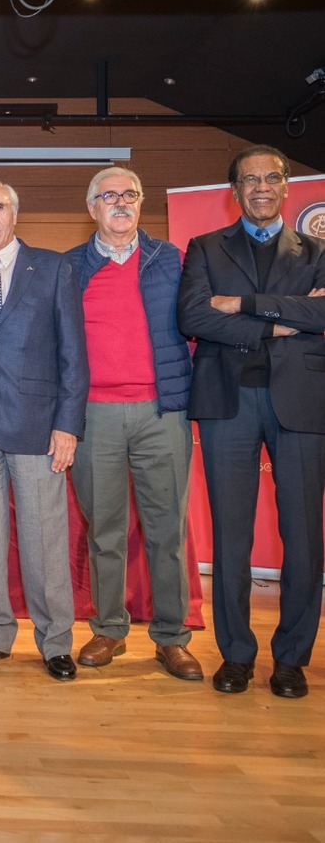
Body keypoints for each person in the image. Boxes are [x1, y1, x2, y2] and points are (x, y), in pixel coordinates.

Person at [177, 144, 325, 699]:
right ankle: (236, 655)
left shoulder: (316, 250)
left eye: (271, 178)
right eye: (249, 180)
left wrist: (239, 306)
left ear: (286, 186)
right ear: (233, 192)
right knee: (232, 538)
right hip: (228, 403)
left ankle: (291, 659)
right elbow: (191, 315)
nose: (261, 187)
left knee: (304, 539)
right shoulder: (205, 247)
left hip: (302, 402)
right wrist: (280, 321)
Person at [0, 177, 88, 681]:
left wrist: (68, 424)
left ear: (14, 213)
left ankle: (54, 641)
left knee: (44, 535)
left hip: (36, 425)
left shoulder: (53, 268)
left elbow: (74, 354)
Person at [65, 167, 201, 680]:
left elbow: (199, 324)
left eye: (130, 195)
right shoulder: (70, 267)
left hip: (161, 412)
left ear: (141, 204)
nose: (120, 203)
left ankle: (171, 637)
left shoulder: (173, 260)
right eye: (109, 196)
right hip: (92, 416)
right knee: (105, 529)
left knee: (167, 529)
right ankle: (109, 628)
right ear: (92, 208)